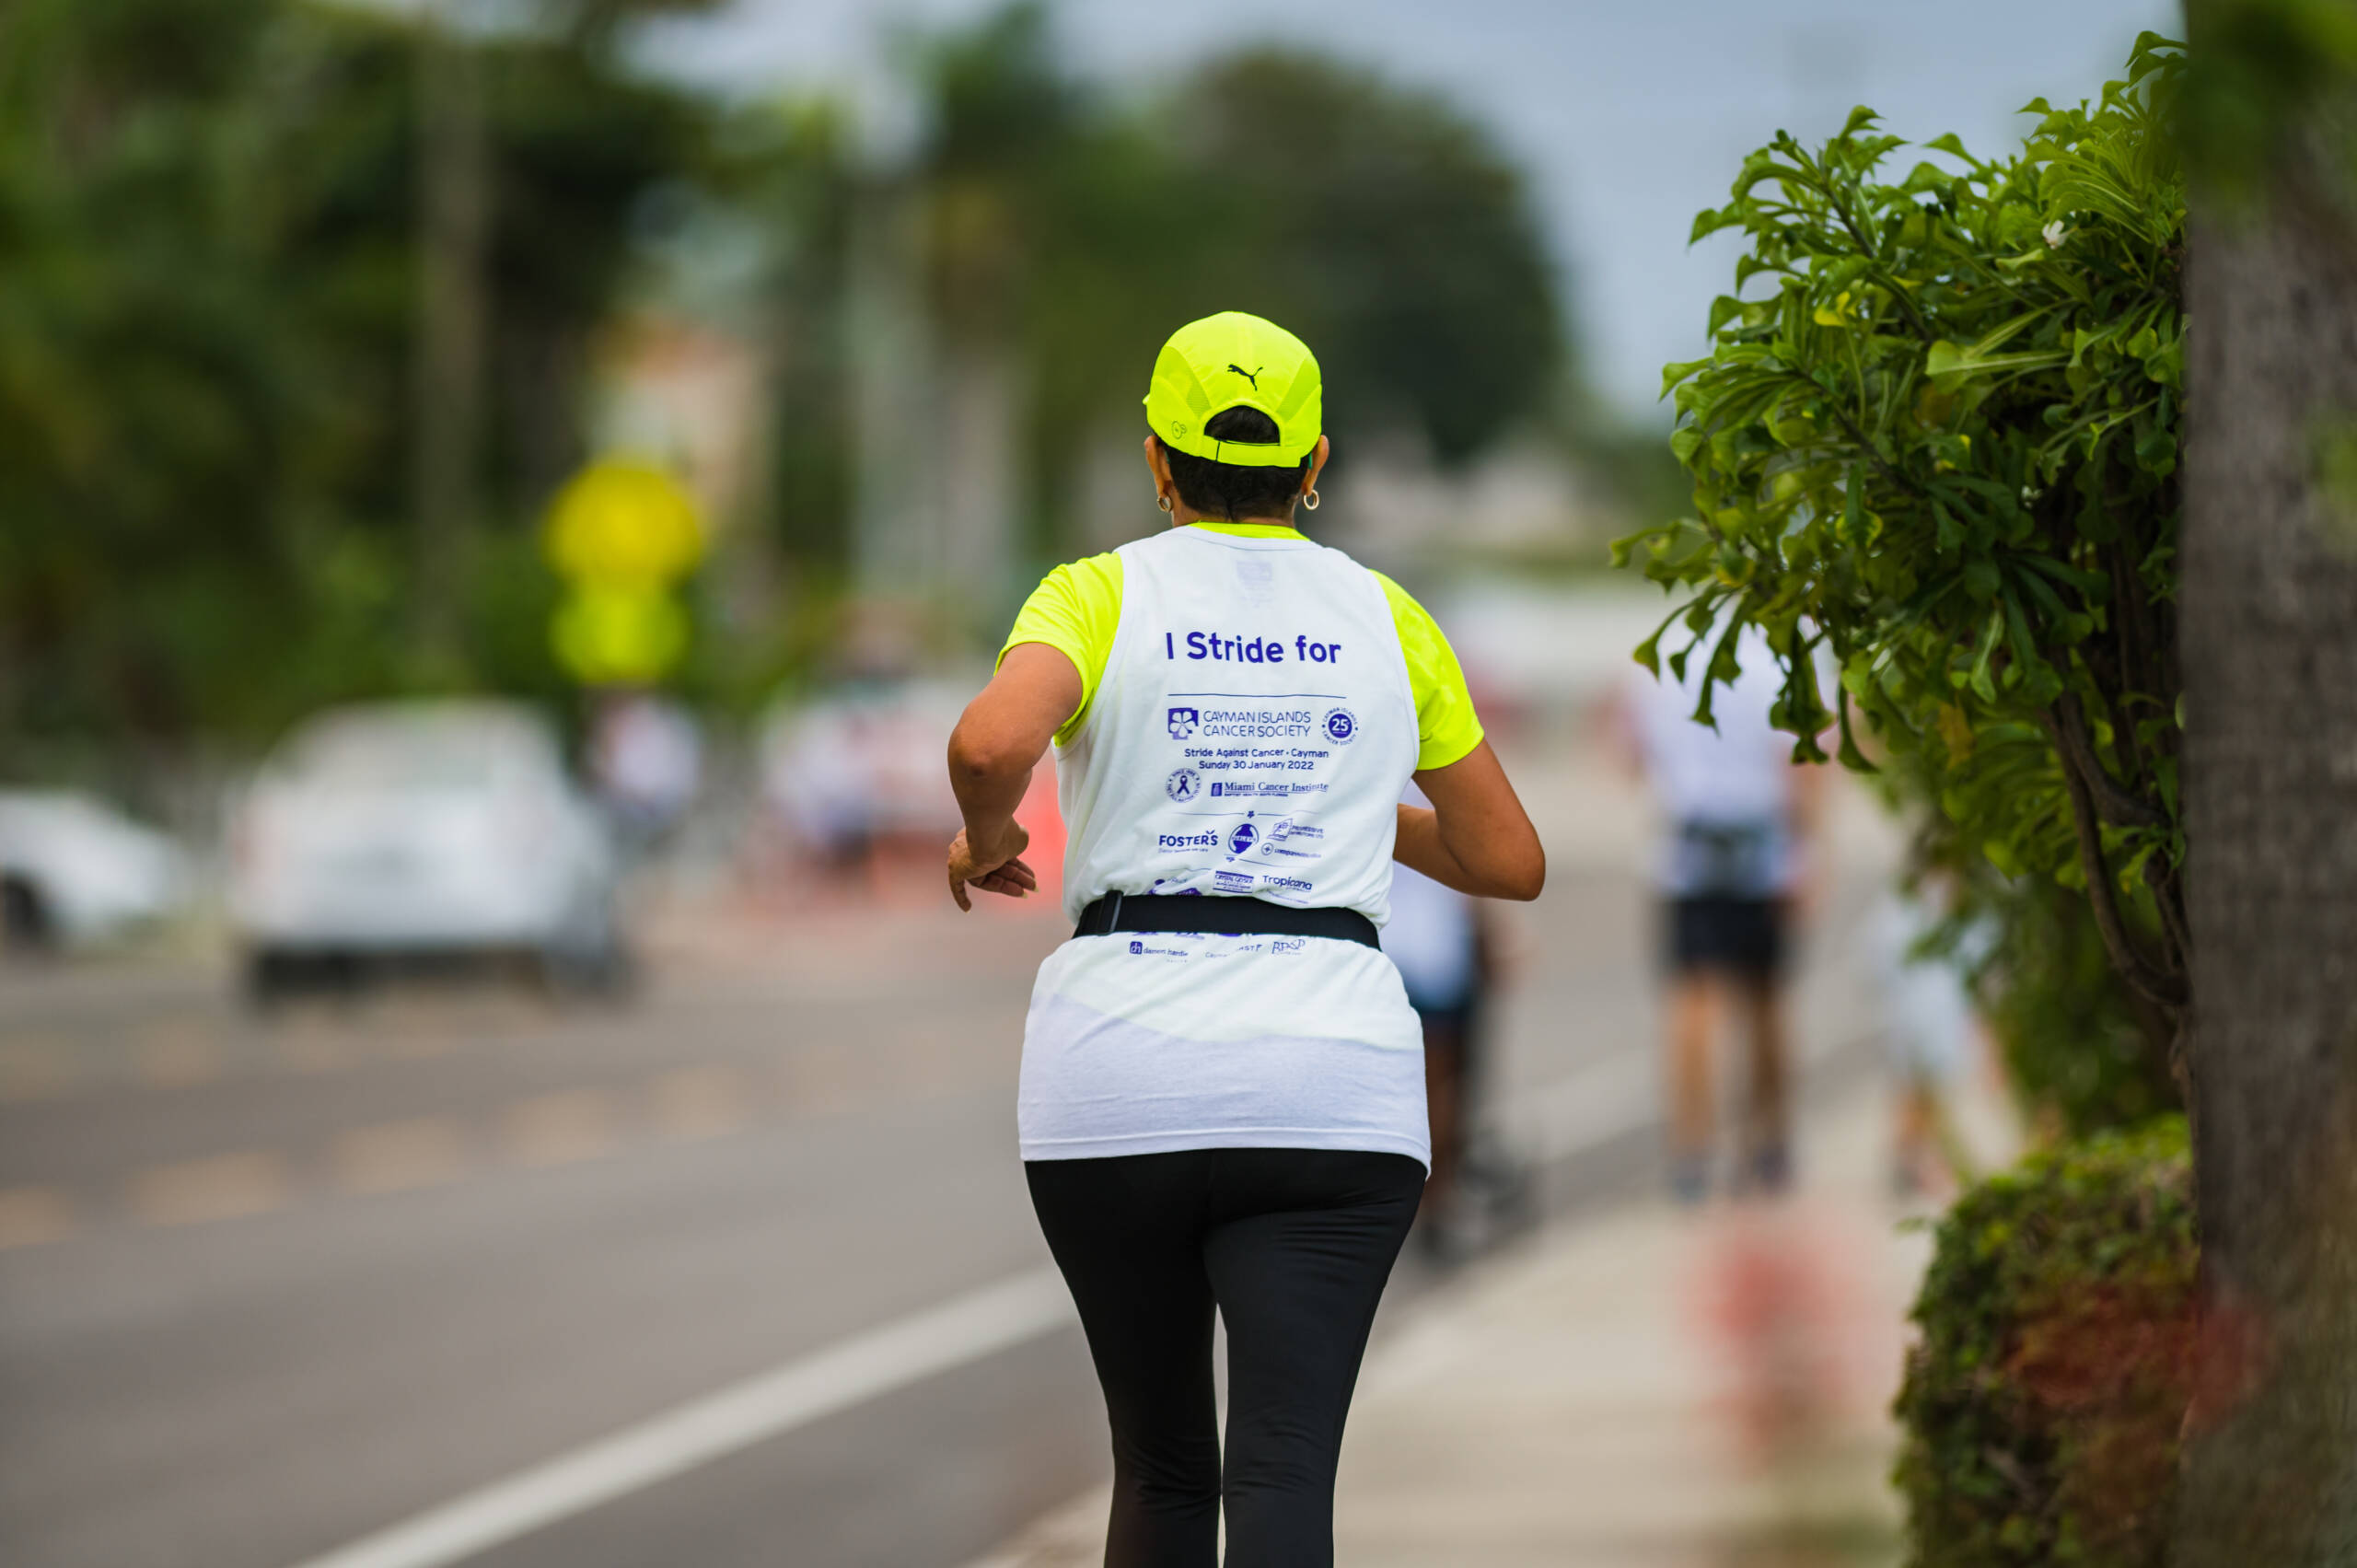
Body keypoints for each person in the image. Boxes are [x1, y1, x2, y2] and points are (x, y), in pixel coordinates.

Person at [944, 312, 1544, 1567]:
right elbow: (1506, 859)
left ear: (1159, 463)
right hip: (1332, 1080)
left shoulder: (1097, 591)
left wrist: (985, 833)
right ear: (1315, 461)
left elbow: (990, 743)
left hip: (1118, 1072)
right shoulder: (1387, 614)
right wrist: (1325, 804)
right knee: (1281, 1473)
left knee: (1162, 1467)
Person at [1619, 624, 1821, 1202]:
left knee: (1691, 1000)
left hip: (1688, 845)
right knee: (1764, 1000)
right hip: (1763, 847)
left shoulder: (1662, 658)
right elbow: (1802, 764)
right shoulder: (1783, 664)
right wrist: (1808, 851)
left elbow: (1628, 754)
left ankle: (1691, 1151)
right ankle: (1768, 1143)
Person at [1381, 782, 1497, 1247]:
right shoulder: (1440, 748)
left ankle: (1386, 1202)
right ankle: (1436, 1201)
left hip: (1375, 938)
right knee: (1443, 1083)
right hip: (1435, 945)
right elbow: (1480, 852)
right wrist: (1486, 937)